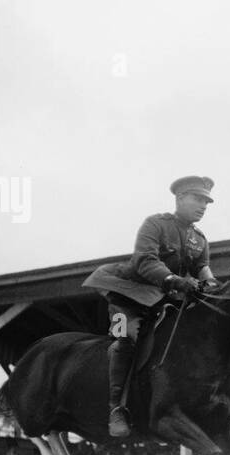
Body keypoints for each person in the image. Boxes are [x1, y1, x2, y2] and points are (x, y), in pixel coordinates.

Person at [82, 174, 222, 438]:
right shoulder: (155, 224)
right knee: (126, 337)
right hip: (126, 294)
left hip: (163, 298)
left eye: (207, 201)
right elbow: (145, 261)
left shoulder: (200, 239)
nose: (203, 206)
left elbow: (202, 267)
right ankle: (116, 409)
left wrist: (213, 284)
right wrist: (175, 280)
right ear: (180, 198)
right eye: (198, 199)